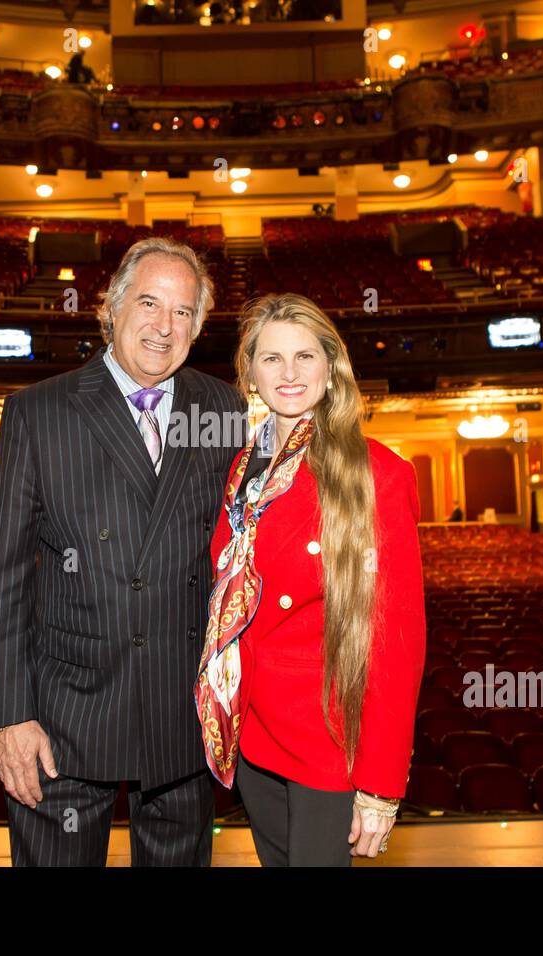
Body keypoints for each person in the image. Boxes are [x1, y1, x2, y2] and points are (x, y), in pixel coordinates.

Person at [0, 237, 246, 866]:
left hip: (182, 715)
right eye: (149, 303)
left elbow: (233, 554)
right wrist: (9, 717)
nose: (163, 326)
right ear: (113, 309)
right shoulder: (37, 412)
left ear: (198, 327)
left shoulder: (223, 406)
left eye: (182, 312)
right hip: (62, 716)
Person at [196, 293, 426, 866]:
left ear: (332, 368)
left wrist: (380, 783)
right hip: (250, 731)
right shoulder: (240, 470)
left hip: (328, 737)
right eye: (271, 358)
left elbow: (396, 637)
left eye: (305, 356)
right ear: (249, 371)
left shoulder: (377, 472)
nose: (290, 373)